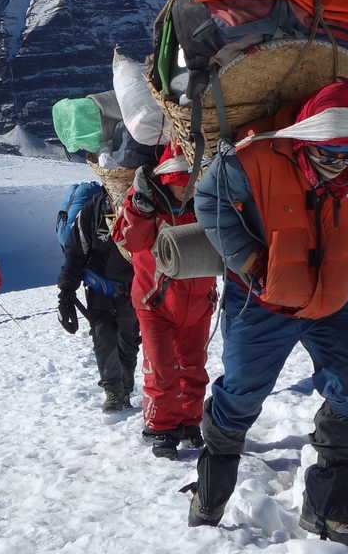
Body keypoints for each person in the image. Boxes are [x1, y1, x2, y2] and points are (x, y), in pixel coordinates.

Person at [186, 78, 348, 551]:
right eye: (330, 156)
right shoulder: (248, 160)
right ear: (306, 137)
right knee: (240, 395)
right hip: (259, 300)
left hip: (328, 299)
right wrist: (251, 264)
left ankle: (332, 512)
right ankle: (210, 498)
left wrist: (347, 264)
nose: (341, 167)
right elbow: (209, 203)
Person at [113, 145, 216, 459]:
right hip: (154, 302)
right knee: (161, 369)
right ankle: (160, 428)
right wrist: (138, 206)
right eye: (179, 179)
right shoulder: (147, 205)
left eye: (190, 178)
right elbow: (127, 240)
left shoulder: (207, 202)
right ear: (165, 178)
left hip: (199, 302)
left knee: (194, 367)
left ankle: (189, 422)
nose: (185, 185)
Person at [57, 181, 140, 411]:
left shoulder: (140, 207)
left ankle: (125, 389)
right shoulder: (92, 212)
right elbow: (75, 254)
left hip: (132, 289)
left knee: (128, 342)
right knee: (104, 339)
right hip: (100, 289)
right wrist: (66, 292)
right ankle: (113, 390)